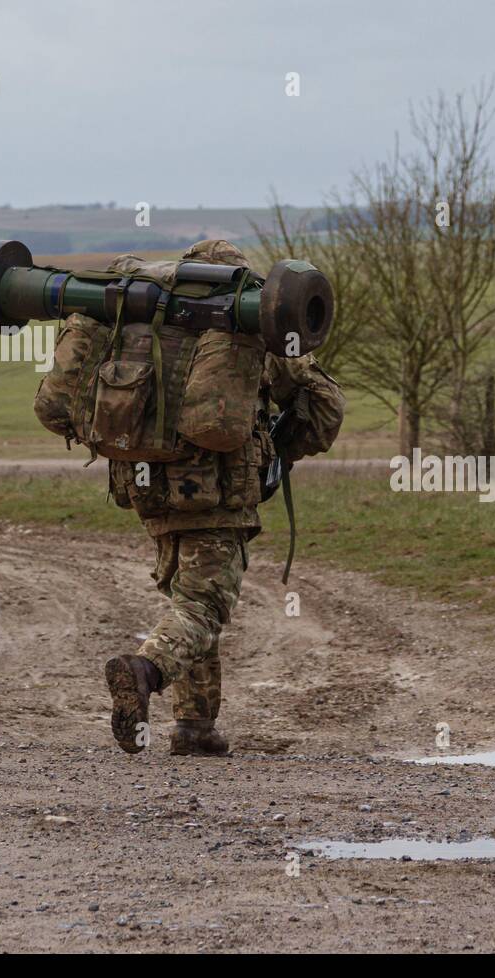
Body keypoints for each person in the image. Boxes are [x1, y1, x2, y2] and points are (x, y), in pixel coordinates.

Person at [104, 239, 343, 757]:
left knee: (186, 596)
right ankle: (145, 670)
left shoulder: (142, 324)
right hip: (218, 493)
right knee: (204, 605)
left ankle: (195, 728)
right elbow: (324, 412)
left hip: (150, 488)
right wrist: (277, 452)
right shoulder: (246, 328)